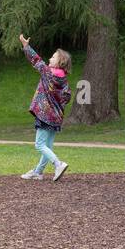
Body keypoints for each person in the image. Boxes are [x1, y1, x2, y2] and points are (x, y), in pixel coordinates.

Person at [18, 34, 72, 182]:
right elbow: (67, 97)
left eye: (53, 58)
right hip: (56, 117)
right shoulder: (64, 80)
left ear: (60, 62)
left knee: (39, 144)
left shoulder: (47, 72)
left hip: (44, 115)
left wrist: (25, 46)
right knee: (47, 145)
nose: (50, 59)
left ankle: (58, 164)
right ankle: (38, 171)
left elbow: (36, 60)